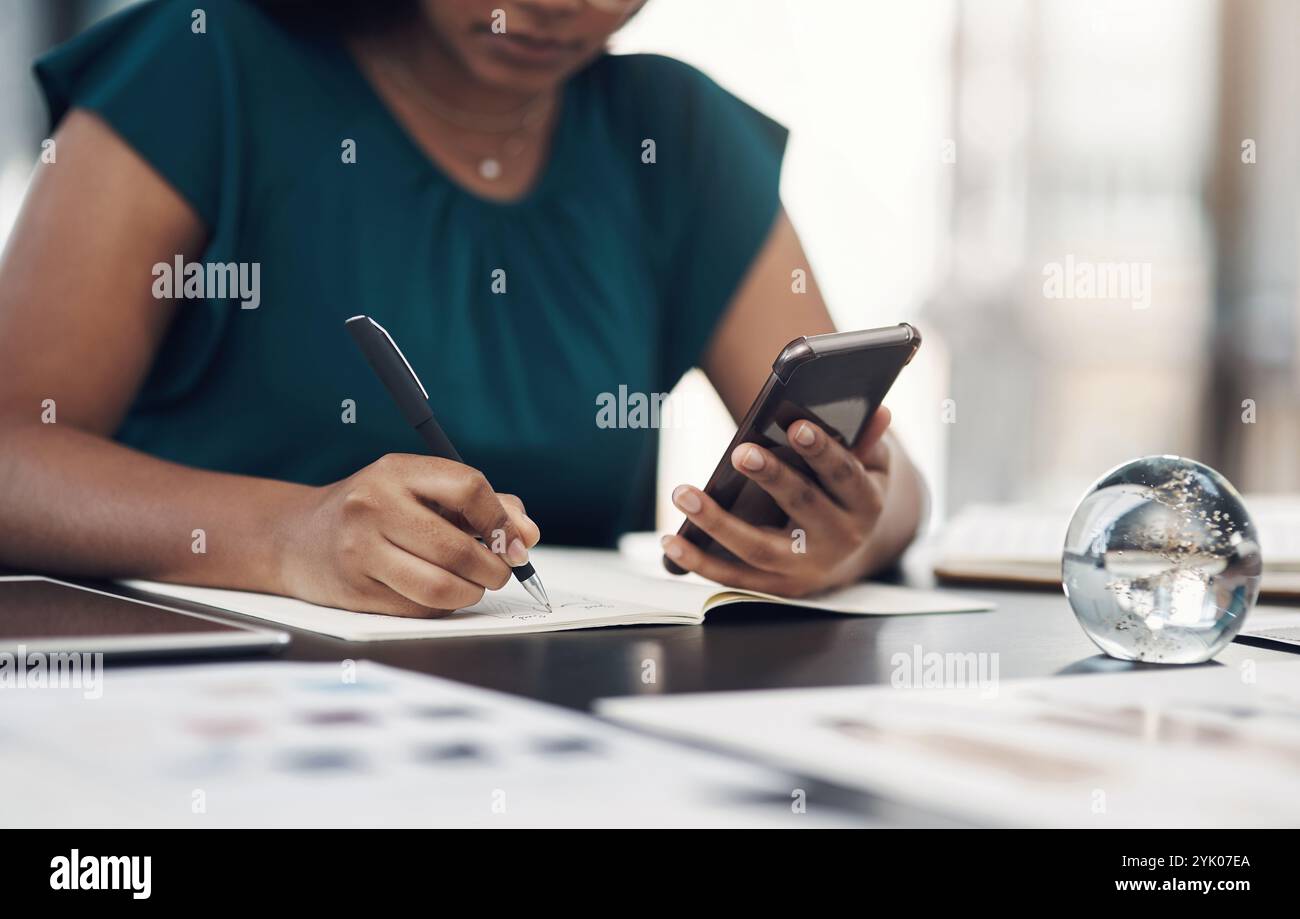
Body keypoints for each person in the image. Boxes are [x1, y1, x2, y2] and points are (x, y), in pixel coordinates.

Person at [0, 0, 926, 616]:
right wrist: (285, 536)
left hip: (558, 727)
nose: (556, 5)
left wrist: (846, 533)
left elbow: (895, 483)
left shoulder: (674, 136)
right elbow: (13, 454)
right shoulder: (203, 63)